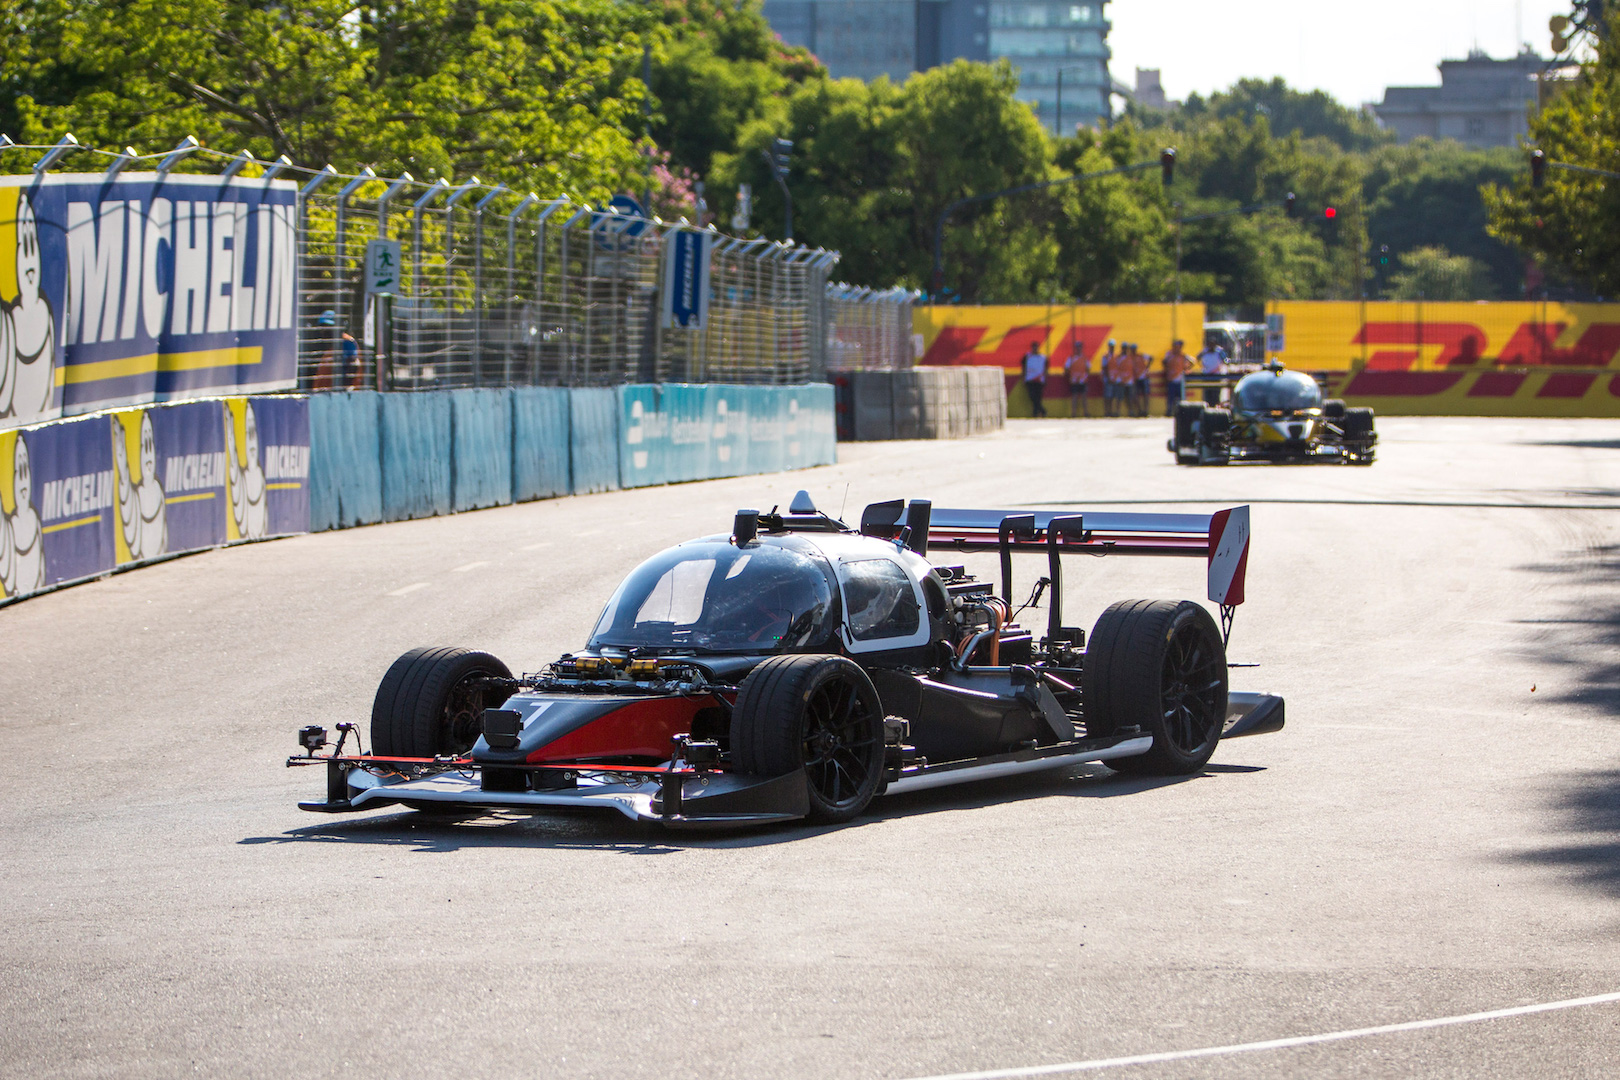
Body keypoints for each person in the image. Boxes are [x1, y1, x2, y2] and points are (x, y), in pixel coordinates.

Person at [1021, 339, 1048, 418]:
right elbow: (1024, 368)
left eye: (1036, 347)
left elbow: (1046, 369)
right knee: (1032, 396)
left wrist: (1045, 378)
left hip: (1039, 380)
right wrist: (1023, 377)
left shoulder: (1043, 357)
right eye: (1034, 347)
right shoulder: (1027, 356)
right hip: (1030, 379)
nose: (1035, 348)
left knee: (1038, 397)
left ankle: (1036, 412)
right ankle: (1042, 411)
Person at [1162, 338, 1190, 415]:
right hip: (1171, 379)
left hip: (1179, 379)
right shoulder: (1169, 354)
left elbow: (1192, 361)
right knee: (1170, 397)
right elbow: (1164, 362)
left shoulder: (1183, 355)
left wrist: (1186, 368)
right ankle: (1169, 411)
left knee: (1181, 397)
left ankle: (1181, 412)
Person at [1064, 342, 1090, 418]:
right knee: (1074, 397)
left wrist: (1084, 376)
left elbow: (1088, 369)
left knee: (1084, 397)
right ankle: (1073, 413)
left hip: (1082, 380)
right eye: (1077, 347)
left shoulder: (1085, 358)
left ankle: (1085, 412)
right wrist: (1070, 376)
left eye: (1080, 347)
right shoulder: (1071, 358)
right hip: (1074, 380)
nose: (1078, 349)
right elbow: (1066, 368)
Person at [1197, 338, 1225, 405]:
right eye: (1210, 344)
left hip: (1216, 375)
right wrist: (1202, 366)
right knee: (1207, 394)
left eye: (1213, 344)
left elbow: (1225, 360)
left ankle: (1215, 407)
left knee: (1216, 394)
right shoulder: (1204, 351)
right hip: (1206, 375)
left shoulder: (1219, 351)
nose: (1211, 346)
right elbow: (1197, 358)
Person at [1099, 340, 1119, 417]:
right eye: (1111, 346)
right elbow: (1105, 368)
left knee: (1113, 397)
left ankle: (1113, 412)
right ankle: (1107, 412)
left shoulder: (1116, 356)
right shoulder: (1106, 356)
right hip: (1108, 380)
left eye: (1113, 346)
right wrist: (1108, 378)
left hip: (1115, 379)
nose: (1112, 347)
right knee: (1108, 397)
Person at [1132, 344, 1152, 417]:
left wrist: (1147, 367)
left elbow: (1151, 357)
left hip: (1143, 377)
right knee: (1135, 395)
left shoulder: (1140, 355)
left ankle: (1146, 410)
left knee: (1145, 395)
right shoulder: (1130, 357)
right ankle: (1139, 411)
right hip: (1136, 378)